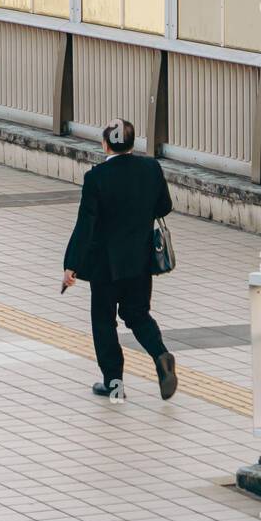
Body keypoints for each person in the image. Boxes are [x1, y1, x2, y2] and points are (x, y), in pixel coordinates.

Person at [62, 118, 177, 402]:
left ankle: (114, 384)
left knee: (104, 321)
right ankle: (161, 356)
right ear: (131, 142)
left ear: (105, 144)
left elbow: (85, 225)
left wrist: (71, 265)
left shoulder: (96, 178)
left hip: (105, 266)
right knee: (137, 314)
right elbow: (165, 206)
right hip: (140, 261)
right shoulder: (151, 168)